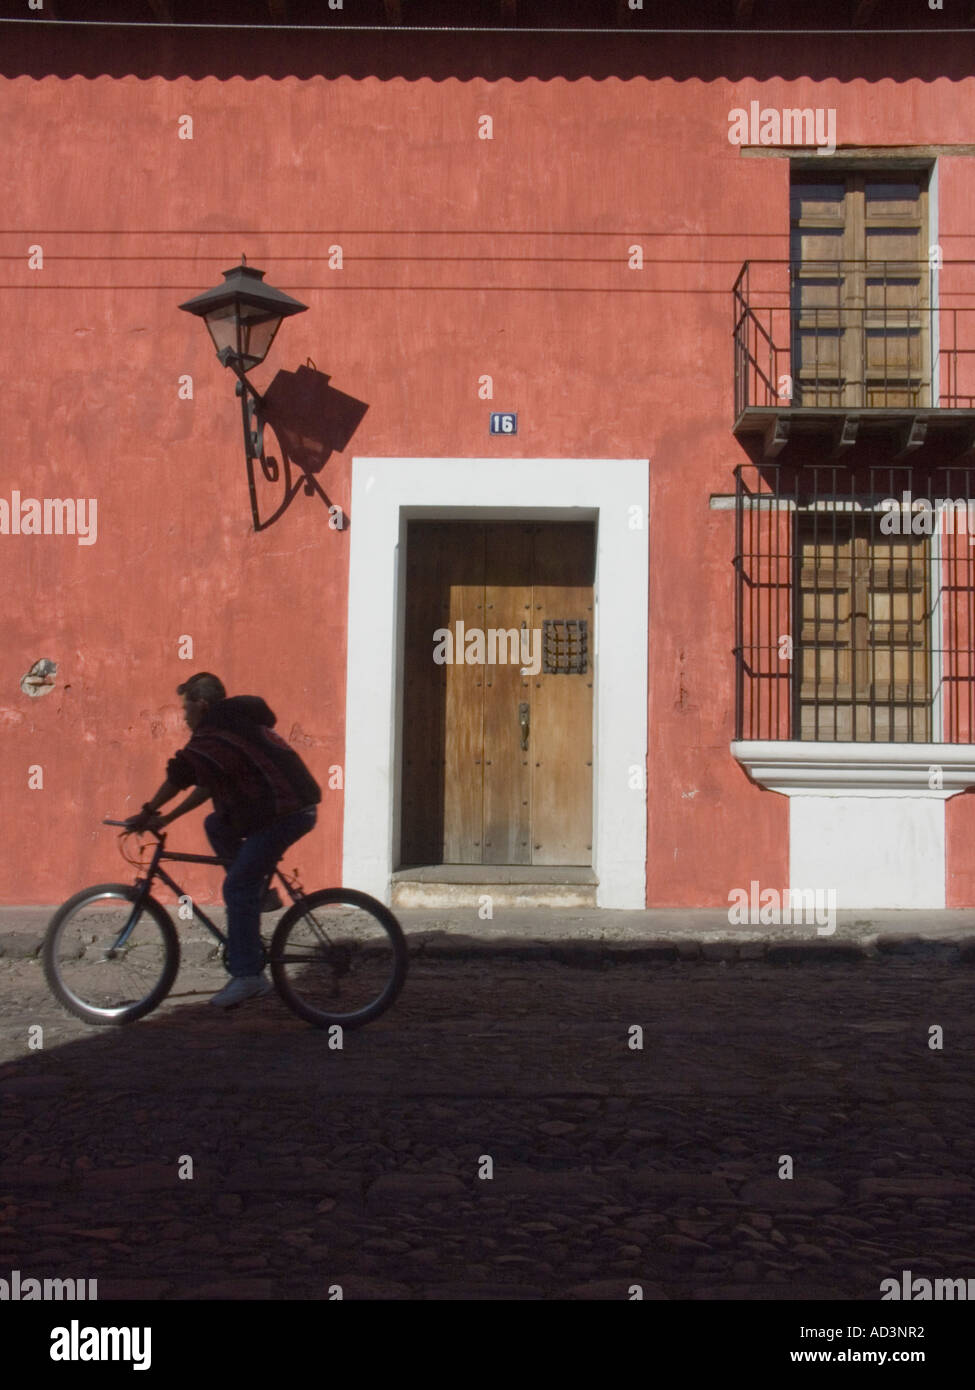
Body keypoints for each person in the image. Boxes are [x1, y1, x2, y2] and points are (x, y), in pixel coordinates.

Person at [126, 672, 321, 1008]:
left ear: (201, 705)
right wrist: (167, 818)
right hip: (283, 810)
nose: (184, 716)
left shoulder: (217, 730)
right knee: (216, 824)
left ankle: (248, 977)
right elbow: (205, 785)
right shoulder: (232, 726)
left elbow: (182, 773)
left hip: (284, 814)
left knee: (236, 888)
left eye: (186, 708)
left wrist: (146, 811)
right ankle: (258, 894)